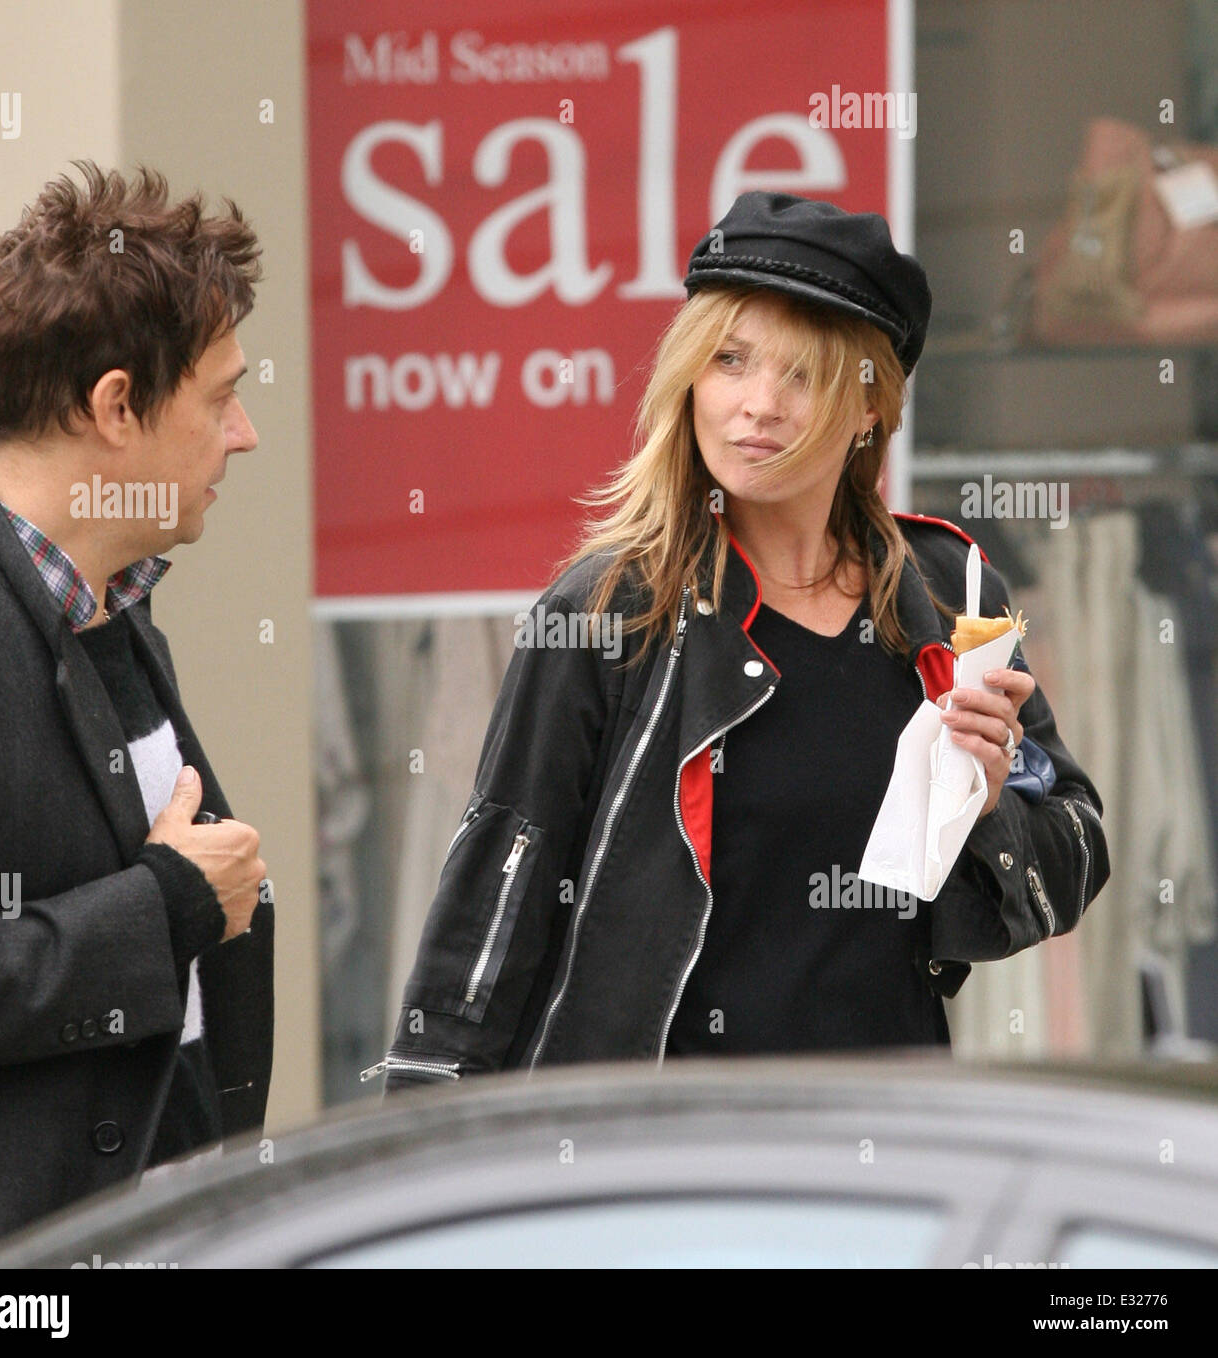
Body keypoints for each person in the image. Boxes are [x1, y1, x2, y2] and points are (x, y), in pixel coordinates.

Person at [371, 191, 1109, 1091]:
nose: (757, 405)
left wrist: (989, 807)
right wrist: (425, 1127)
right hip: (665, 1141)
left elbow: (1076, 852)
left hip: (886, 1131)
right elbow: (494, 899)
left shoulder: (948, 594)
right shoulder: (606, 612)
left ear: (869, 407)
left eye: (802, 375)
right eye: (729, 361)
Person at [0, 162, 273, 1265]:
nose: (244, 432)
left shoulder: (116, 602)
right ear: (116, 406)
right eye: (218, 396)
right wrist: (165, 907)